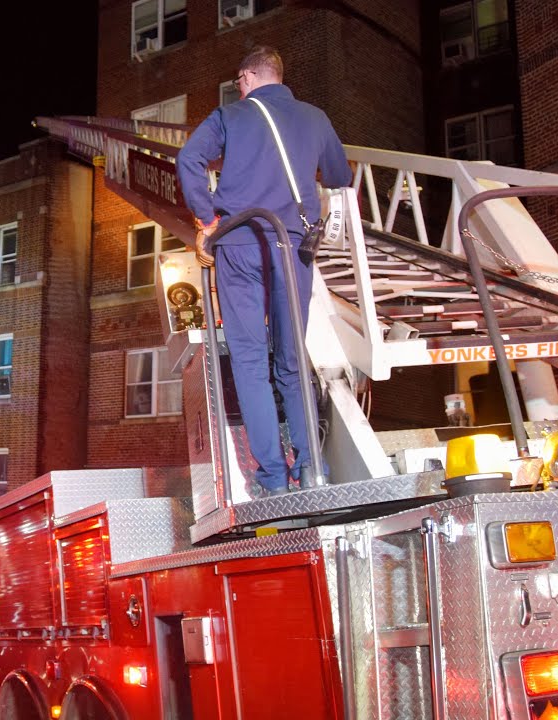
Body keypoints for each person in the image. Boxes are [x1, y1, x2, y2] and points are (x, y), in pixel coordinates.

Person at [176, 44, 352, 496]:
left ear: (246, 78)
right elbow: (338, 176)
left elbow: (189, 159)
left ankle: (273, 476)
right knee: (292, 362)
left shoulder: (230, 117)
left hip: (239, 243)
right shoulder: (315, 118)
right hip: (292, 246)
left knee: (251, 364)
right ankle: (313, 469)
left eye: (239, 84)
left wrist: (207, 219)